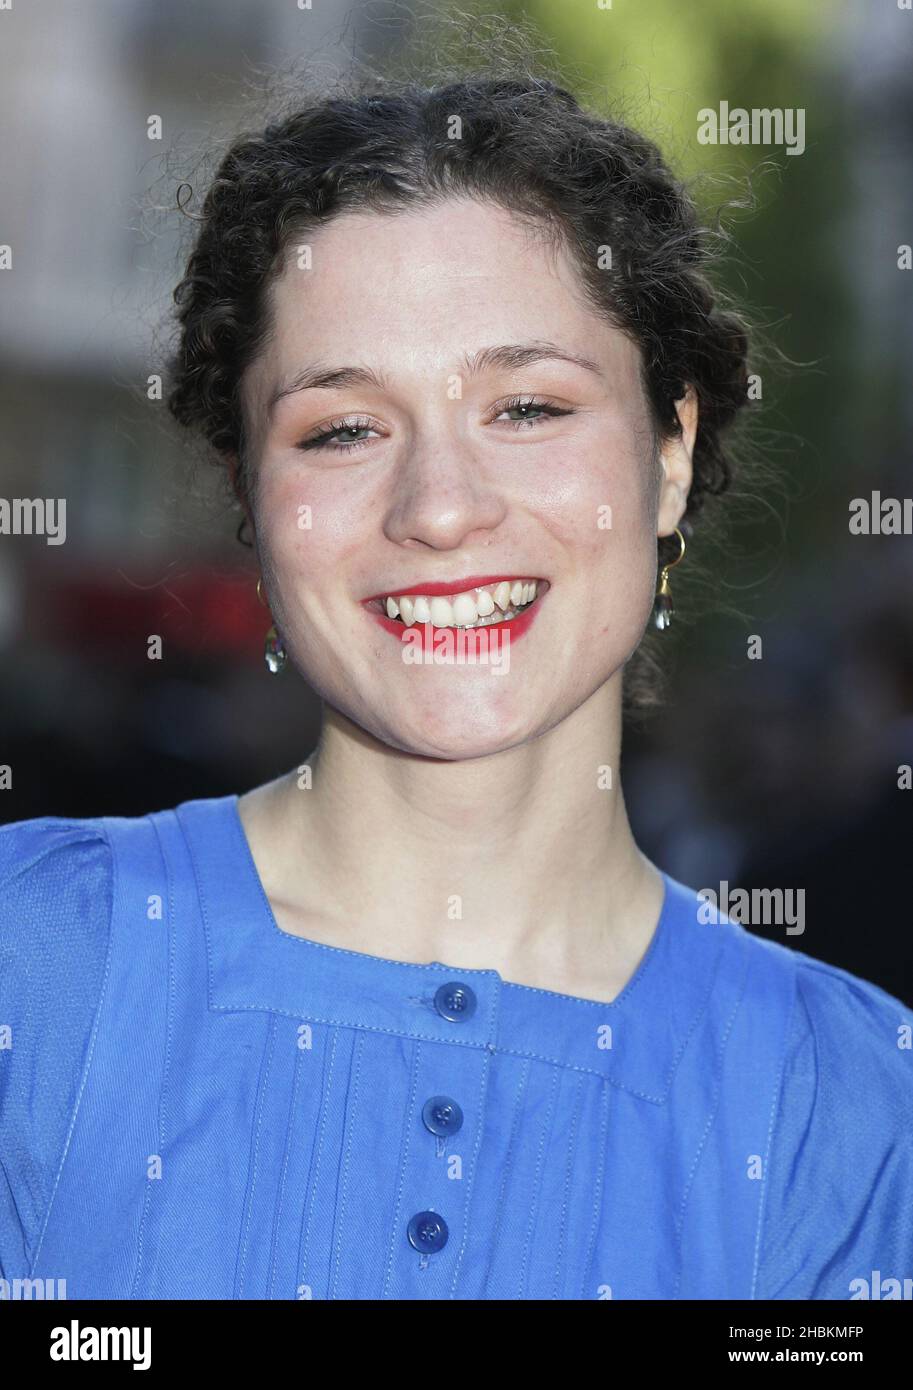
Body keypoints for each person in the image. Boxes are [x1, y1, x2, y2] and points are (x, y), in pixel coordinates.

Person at [2, 71, 911, 1302]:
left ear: (670, 450)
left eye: (527, 406)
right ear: (248, 494)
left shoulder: (853, 1115)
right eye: (340, 428)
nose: (438, 508)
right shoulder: (36, 966)